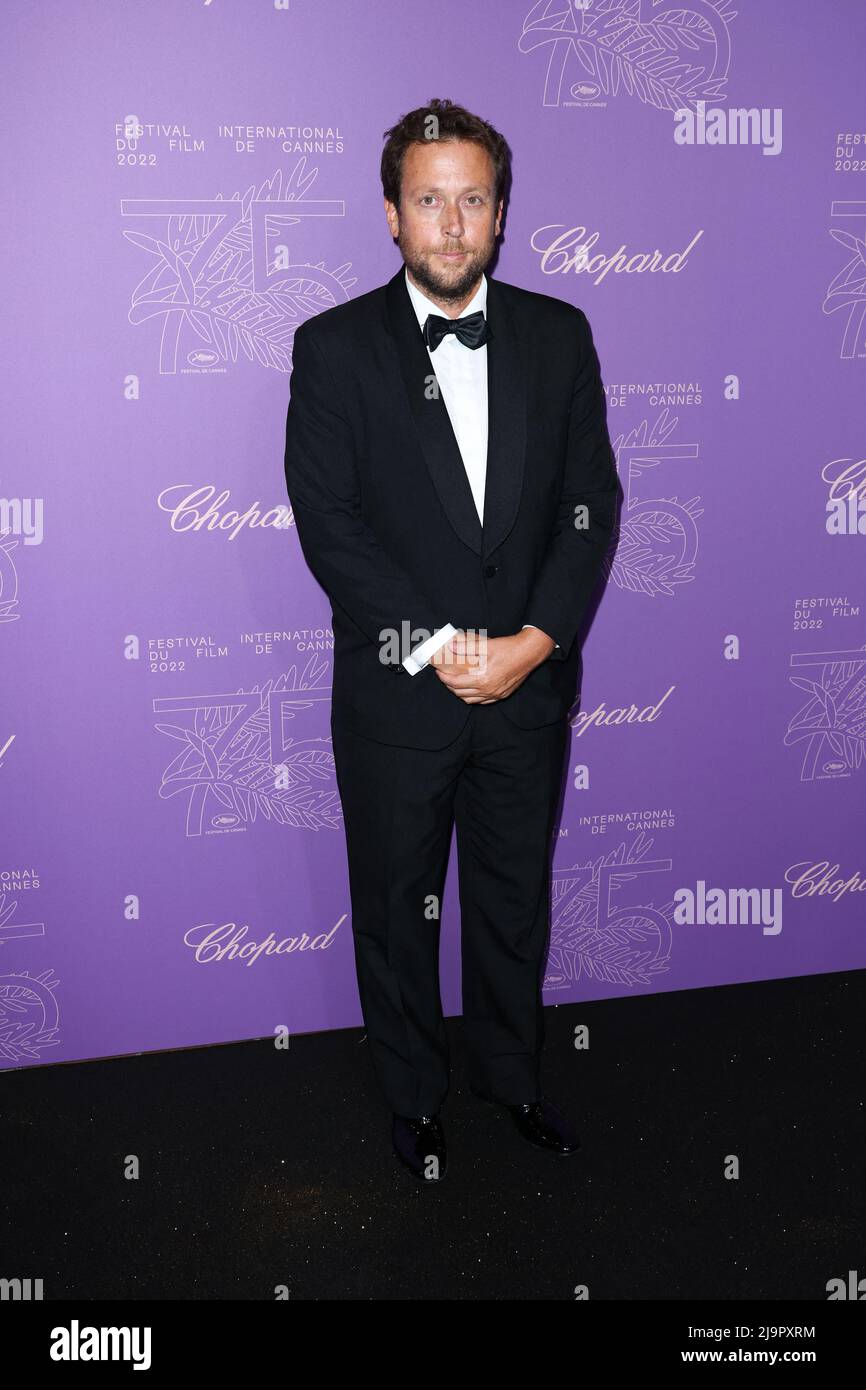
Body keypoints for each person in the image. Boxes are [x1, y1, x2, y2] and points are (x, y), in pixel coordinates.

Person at [284, 98, 620, 1183]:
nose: (451, 222)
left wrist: (531, 641)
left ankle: (513, 1079)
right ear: (390, 214)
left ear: (500, 213)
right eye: (428, 199)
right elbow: (327, 524)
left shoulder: (559, 336)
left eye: (471, 199)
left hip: (526, 684)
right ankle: (413, 1097)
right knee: (394, 908)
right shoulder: (331, 350)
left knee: (512, 895)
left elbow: (590, 503)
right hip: (397, 692)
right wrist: (435, 645)